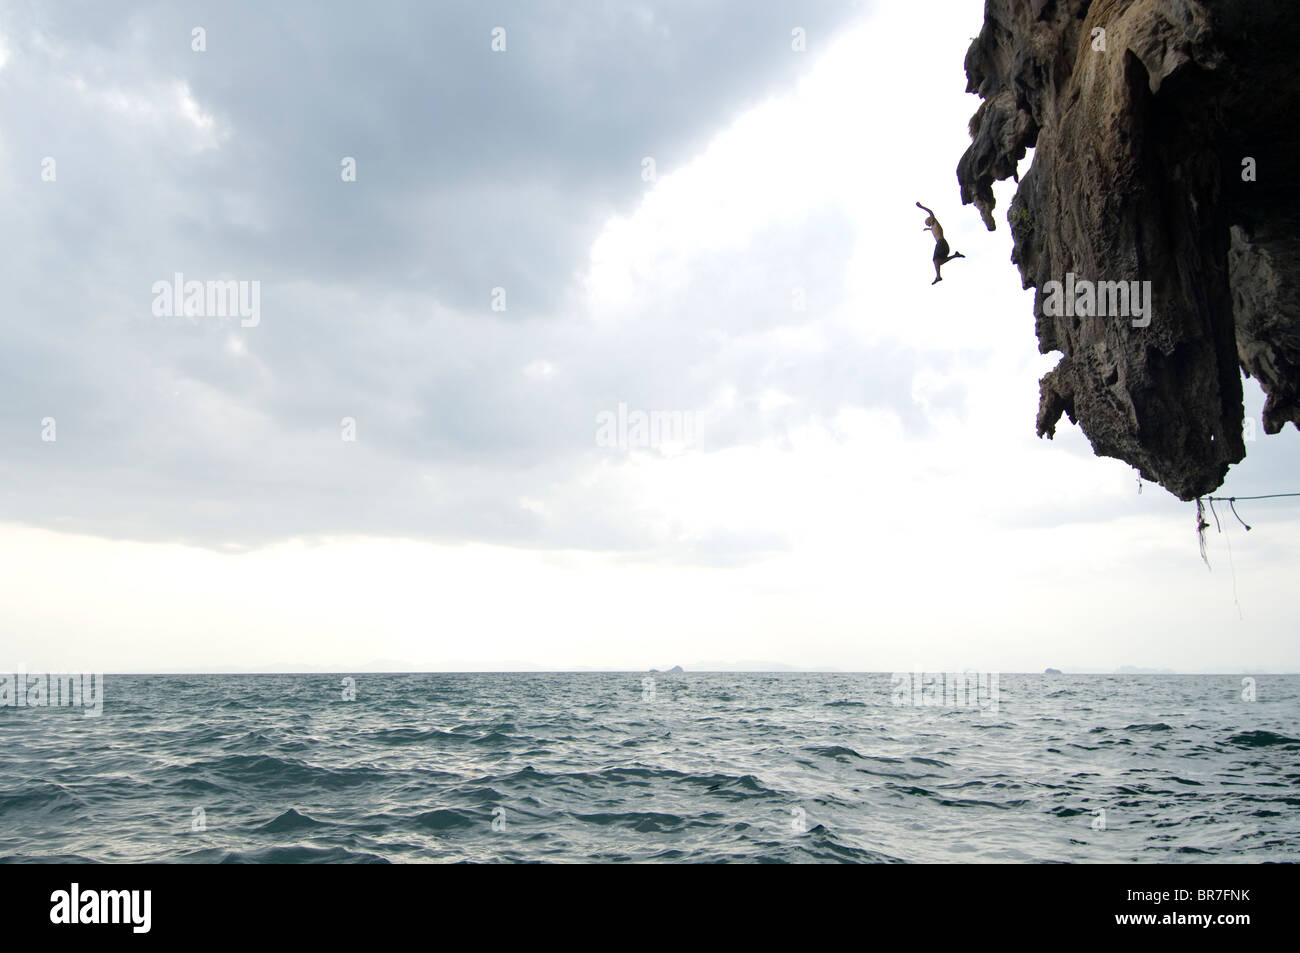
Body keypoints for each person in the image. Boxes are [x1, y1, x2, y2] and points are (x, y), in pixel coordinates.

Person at [917, 202, 965, 284]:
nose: (928, 225)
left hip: (941, 243)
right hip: (942, 244)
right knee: (939, 262)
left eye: (927, 222)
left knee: (935, 260)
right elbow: (933, 230)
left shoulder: (934, 222)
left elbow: (930, 212)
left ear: (930, 219)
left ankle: (938, 276)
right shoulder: (933, 227)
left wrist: (921, 207)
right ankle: (955, 255)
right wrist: (928, 229)